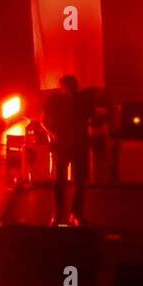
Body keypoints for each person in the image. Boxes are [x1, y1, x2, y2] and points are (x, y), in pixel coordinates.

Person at [43, 75, 90, 226]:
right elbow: (43, 121)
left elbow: (89, 117)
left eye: (72, 88)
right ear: (62, 87)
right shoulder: (54, 101)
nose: (70, 91)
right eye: (68, 88)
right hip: (63, 145)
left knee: (79, 180)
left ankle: (74, 213)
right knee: (59, 180)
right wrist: (53, 135)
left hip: (78, 144)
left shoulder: (82, 100)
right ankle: (60, 213)